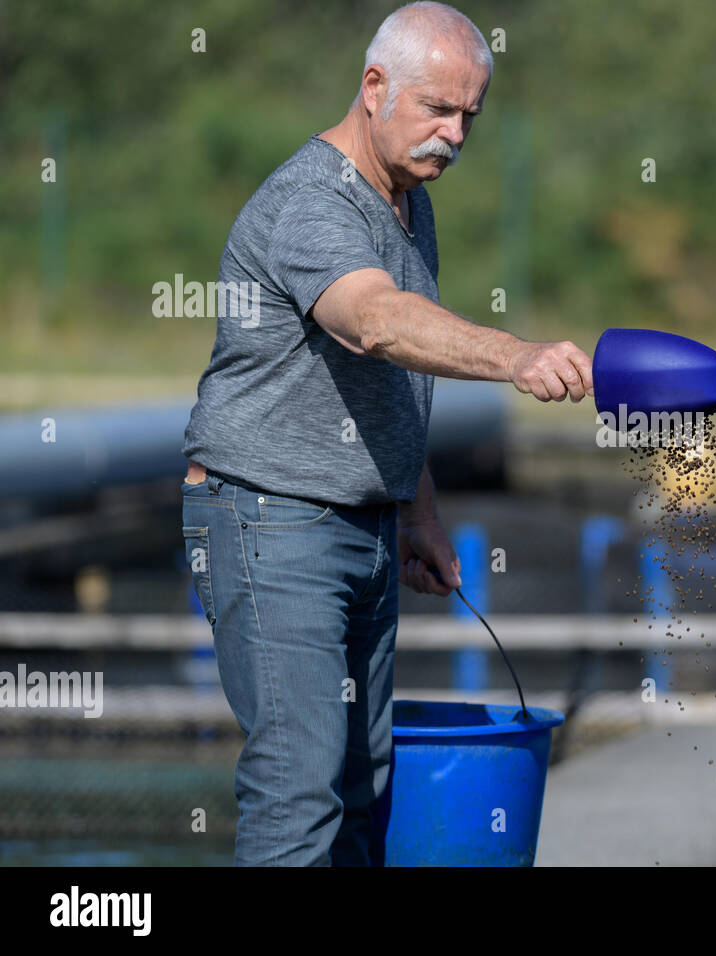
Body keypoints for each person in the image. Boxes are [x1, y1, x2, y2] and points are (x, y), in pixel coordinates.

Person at [180, 1, 592, 866]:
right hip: (270, 519)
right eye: (437, 109)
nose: (455, 135)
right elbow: (374, 323)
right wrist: (515, 357)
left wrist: (418, 511)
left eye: (469, 115)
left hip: (364, 521)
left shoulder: (408, 201)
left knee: (365, 785)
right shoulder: (308, 202)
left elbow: (391, 379)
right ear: (374, 87)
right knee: (299, 789)